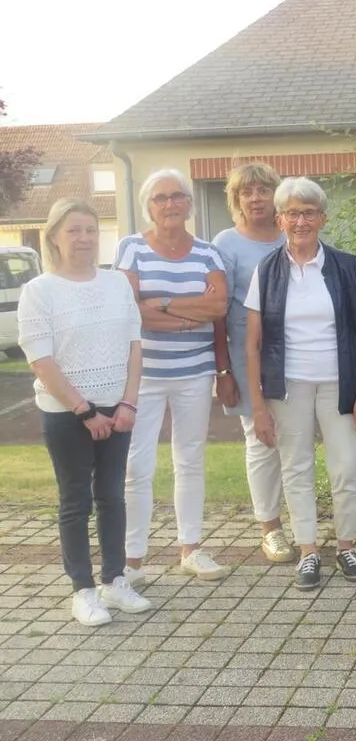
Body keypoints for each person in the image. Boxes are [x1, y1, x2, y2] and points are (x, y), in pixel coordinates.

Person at [17, 200, 152, 625]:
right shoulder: (39, 290)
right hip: (66, 413)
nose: (84, 238)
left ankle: (115, 581)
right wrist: (84, 411)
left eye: (91, 230)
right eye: (74, 230)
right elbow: (42, 360)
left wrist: (128, 403)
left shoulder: (116, 284)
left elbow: (134, 345)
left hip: (119, 410)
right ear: (54, 235)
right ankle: (83, 590)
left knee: (112, 496)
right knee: (75, 500)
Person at [245, 177, 356, 590]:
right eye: (292, 213)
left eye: (309, 213)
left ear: (323, 217)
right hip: (288, 386)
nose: (301, 221)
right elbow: (253, 344)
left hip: (340, 383)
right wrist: (259, 405)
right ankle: (308, 551)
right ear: (280, 218)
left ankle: (349, 545)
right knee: (295, 468)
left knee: (347, 466)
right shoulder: (266, 271)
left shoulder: (345, 265)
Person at [115, 169, 230, 583]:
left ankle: (191, 548)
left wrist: (159, 304)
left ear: (188, 203)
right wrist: (187, 311)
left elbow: (217, 309)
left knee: (190, 459)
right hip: (141, 376)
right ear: (149, 205)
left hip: (194, 373)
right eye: (161, 197)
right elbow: (129, 311)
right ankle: (131, 560)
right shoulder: (130, 248)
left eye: (178, 196)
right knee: (136, 465)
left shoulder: (207, 253)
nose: (170, 204)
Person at [211, 163, 292, 564]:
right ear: (236, 199)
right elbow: (218, 312)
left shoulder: (292, 233)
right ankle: (270, 528)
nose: (256, 198)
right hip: (247, 356)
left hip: (296, 354)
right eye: (247, 192)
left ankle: (304, 523)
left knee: (293, 437)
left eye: (263, 190)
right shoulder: (226, 243)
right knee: (261, 439)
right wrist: (223, 370)